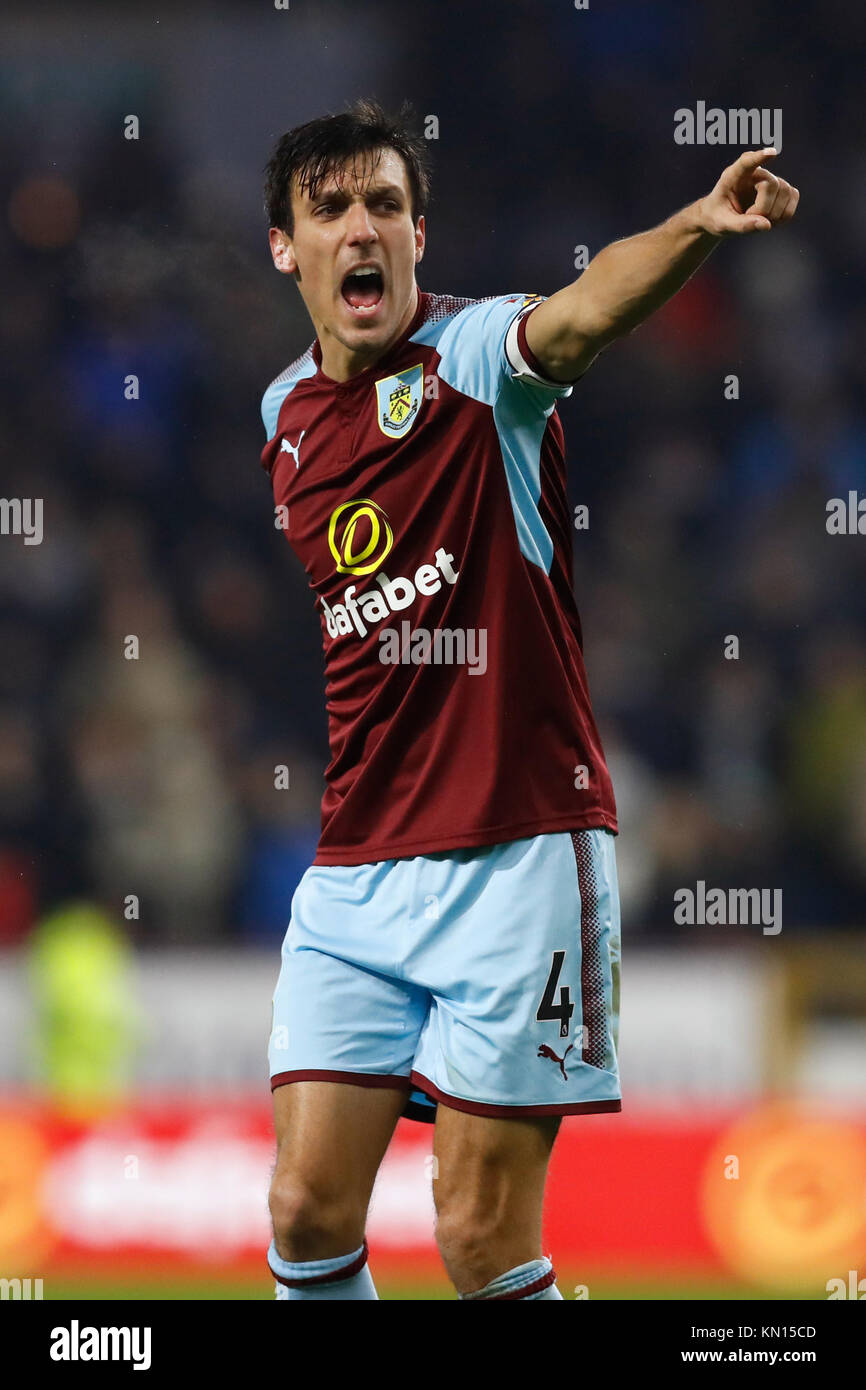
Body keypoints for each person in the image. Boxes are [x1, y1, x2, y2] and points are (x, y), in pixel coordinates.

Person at [259, 98, 798, 1301]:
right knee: (302, 1212)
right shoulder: (281, 417)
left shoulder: (473, 362)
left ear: (418, 234)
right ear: (286, 246)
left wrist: (695, 225)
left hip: (516, 853)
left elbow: (579, 314)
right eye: (332, 208)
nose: (363, 230)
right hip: (355, 864)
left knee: (478, 1234)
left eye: (386, 206)